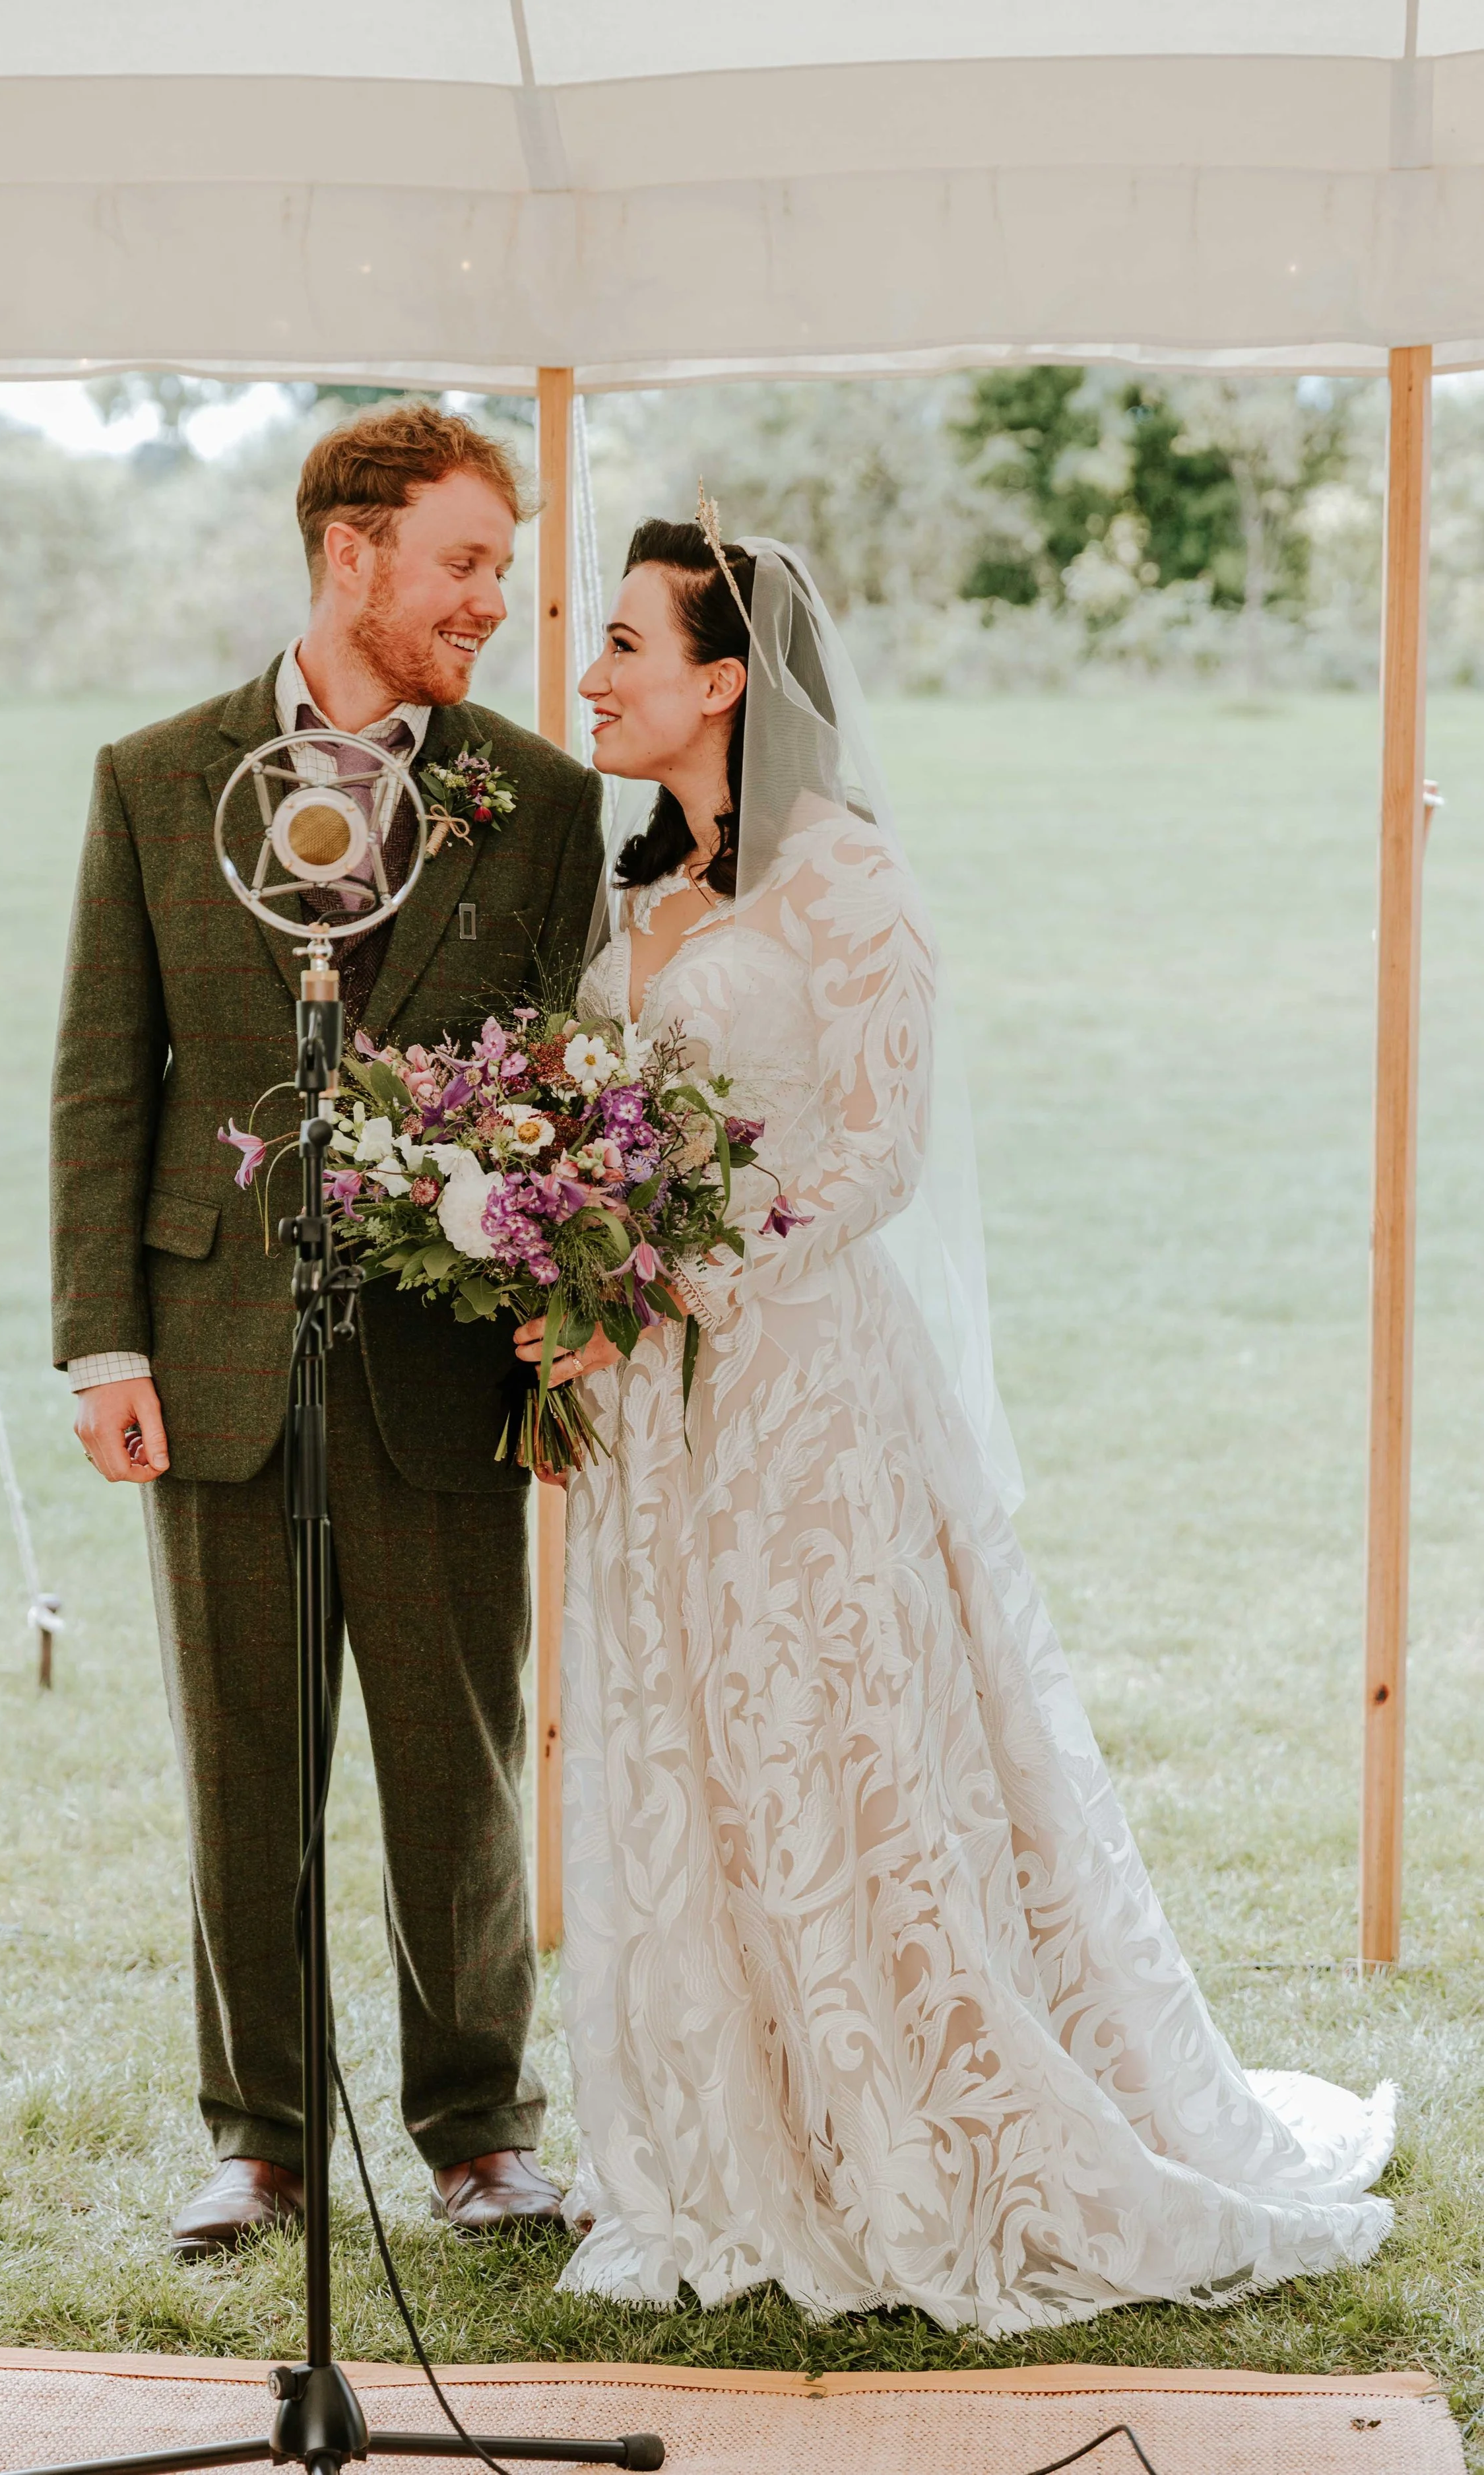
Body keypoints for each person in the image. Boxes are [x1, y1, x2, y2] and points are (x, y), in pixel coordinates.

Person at [514, 513, 1395, 2330]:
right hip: (651, 1430)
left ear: (722, 676)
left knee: (841, 1745)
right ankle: (748, 2130)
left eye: (618, 642)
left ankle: (919, 2116)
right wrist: (570, 1260)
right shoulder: (633, 889)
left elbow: (872, 1157)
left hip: (797, 1392)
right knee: (699, 1751)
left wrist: (671, 1274)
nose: (586, 676)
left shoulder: (843, 875)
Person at [51, 404, 604, 2256]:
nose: (492, 606)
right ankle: (263, 2135)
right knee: (241, 1765)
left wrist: (562, 1310)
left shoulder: (537, 797)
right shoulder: (149, 778)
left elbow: (563, 1082)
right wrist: (100, 1343)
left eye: (504, 575)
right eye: (462, 564)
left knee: (459, 1770)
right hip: (207, 1352)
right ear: (348, 554)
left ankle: (476, 2127)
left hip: (444, 1367)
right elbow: (98, 1079)